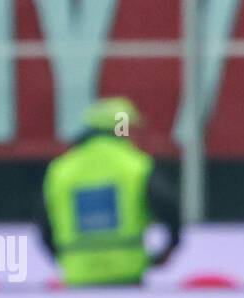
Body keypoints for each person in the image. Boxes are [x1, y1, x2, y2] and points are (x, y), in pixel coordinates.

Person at [37, 97, 181, 286]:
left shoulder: (60, 170)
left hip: (77, 275)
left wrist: (66, 258)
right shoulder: (137, 165)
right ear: (123, 128)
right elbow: (170, 207)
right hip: (127, 272)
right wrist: (169, 247)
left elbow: (45, 223)